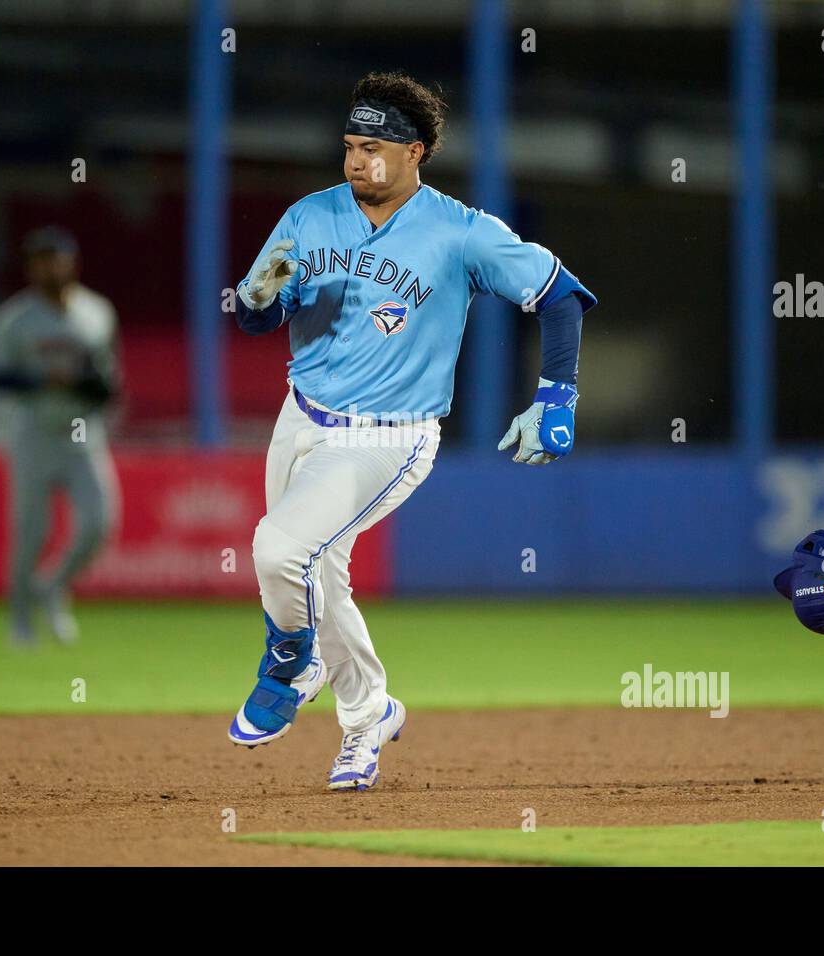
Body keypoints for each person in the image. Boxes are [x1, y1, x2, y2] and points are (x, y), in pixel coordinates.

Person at [227, 71, 596, 790]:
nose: (356, 160)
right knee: (320, 579)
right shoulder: (309, 217)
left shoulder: (461, 232)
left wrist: (556, 399)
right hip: (299, 417)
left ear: (415, 151)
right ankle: (369, 719)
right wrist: (257, 301)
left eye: (372, 147)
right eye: (349, 146)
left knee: (278, 551)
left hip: (387, 437)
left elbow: (561, 297)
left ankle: (291, 663)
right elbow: (259, 315)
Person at [0, 227, 121, 647]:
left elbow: (109, 380)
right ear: (30, 267)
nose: (49, 266)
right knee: (31, 532)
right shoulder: (17, 317)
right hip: (34, 432)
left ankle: (53, 585)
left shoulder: (96, 312)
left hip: (83, 433)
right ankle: (20, 623)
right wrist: (43, 377)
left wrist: (82, 382)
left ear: (71, 262)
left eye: (55, 257)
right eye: (40, 258)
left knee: (100, 523)